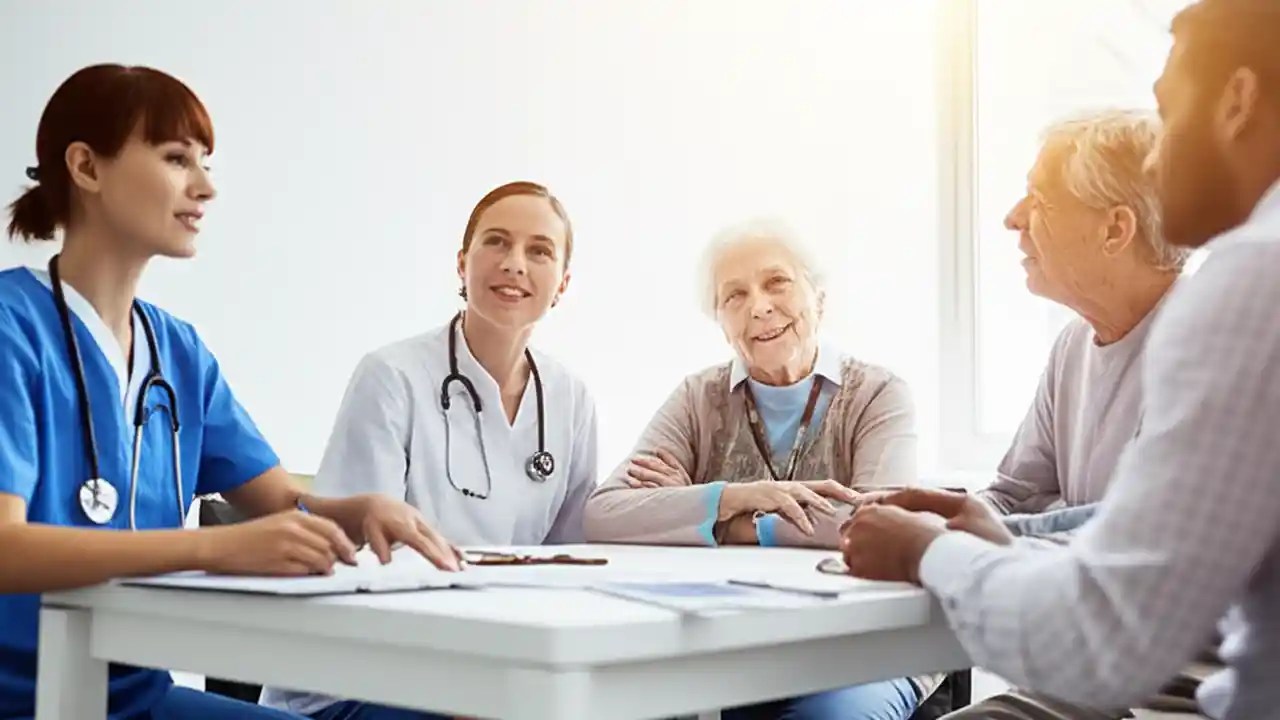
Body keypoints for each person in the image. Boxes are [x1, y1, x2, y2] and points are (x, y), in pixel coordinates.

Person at [839, 2, 1280, 718]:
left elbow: (1103, 640)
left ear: (1237, 100)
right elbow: (1047, 507)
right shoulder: (1080, 343)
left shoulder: (1251, 282)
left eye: (1167, 117)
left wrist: (928, 552)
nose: (1156, 159)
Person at [0, 64, 459, 720]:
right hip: (27, 702)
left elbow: (275, 500)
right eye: (176, 157)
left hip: (139, 697)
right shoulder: (10, 328)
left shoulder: (176, 351)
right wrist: (213, 547)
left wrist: (354, 511)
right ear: (86, 167)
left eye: (205, 163)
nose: (206, 187)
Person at [260, 181, 598, 720]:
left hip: (492, 675)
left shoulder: (570, 399)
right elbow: (355, 565)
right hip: (354, 682)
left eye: (539, 251)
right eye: (496, 242)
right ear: (462, 264)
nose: (515, 263)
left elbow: (568, 561)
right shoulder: (393, 376)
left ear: (562, 283)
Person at [583, 219, 931, 720]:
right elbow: (605, 513)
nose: (759, 306)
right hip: (735, 649)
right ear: (721, 323)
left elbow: (881, 523)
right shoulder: (697, 399)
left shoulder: (878, 393)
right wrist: (730, 498)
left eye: (777, 283)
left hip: (863, 649)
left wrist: (729, 523)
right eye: (735, 296)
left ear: (819, 297)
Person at [983, 109, 1189, 520]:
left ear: (1114, 230)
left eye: (1039, 200)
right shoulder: (1073, 344)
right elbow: (1012, 497)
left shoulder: (1201, 348)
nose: (1013, 219)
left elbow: (1139, 535)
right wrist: (932, 518)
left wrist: (945, 541)